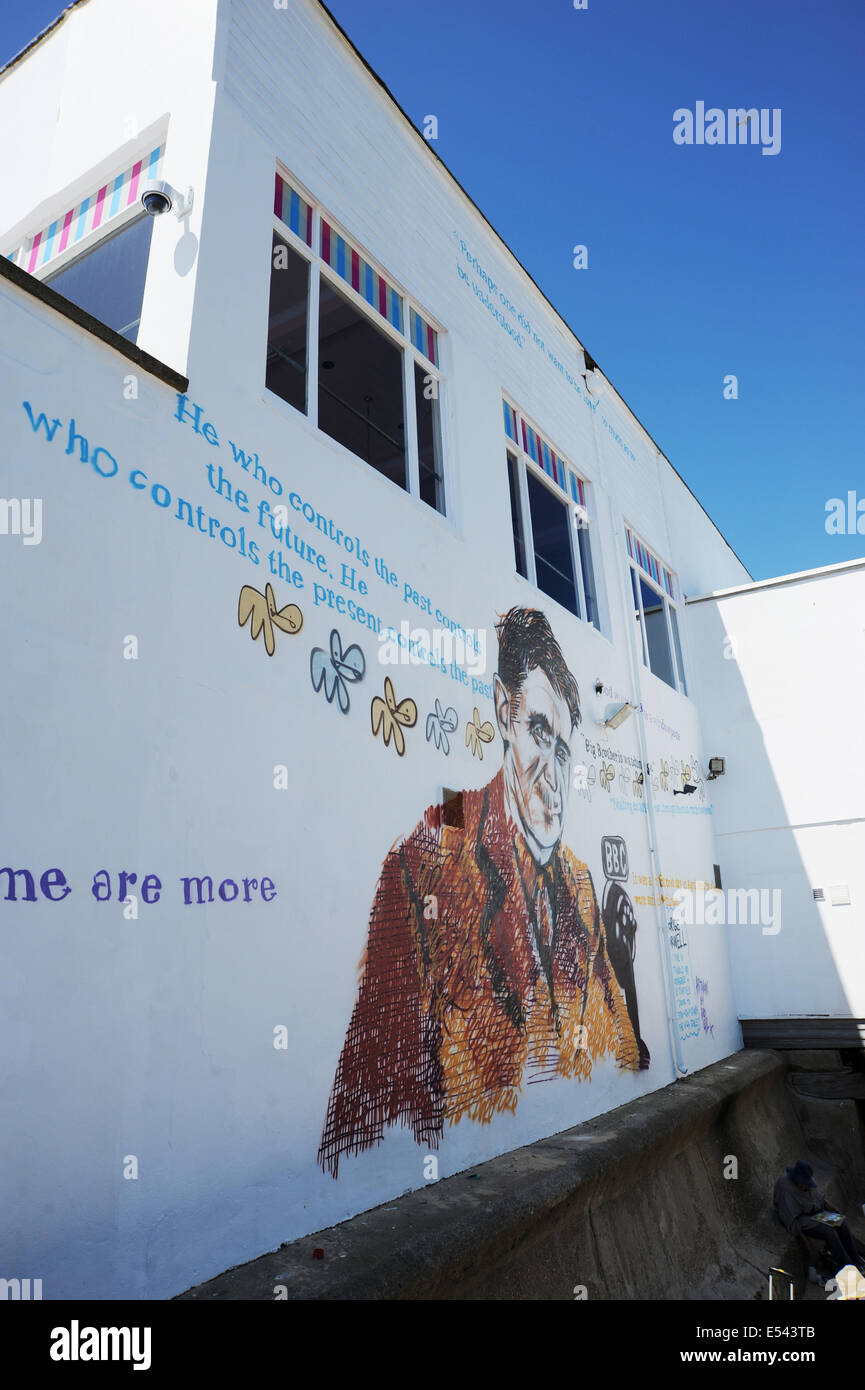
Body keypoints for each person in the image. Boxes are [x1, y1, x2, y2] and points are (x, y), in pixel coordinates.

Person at [318, 606, 644, 1178]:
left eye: (564, 752)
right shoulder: (426, 861)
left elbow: (624, 1054)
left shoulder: (582, 889)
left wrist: (627, 970)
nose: (552, 773)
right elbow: (363, 1127)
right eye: (539, 732)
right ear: (503, 711)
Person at [773, 1160, 865, 1273]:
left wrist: (833, 1210)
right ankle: (847, 1267)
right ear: (796, 1179)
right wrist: (805, 1242)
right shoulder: (785, 1188)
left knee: (841, 1223)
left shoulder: (808, 1180)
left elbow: (819, 1199)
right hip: (800, 1218)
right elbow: (790, 1218)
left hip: (815, 1212)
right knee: (829, 1233)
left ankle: (857, 1261)